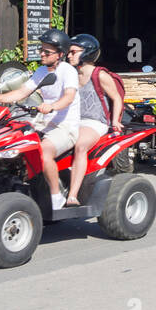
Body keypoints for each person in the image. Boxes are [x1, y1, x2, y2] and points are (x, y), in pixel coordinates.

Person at [0, 28, 79, 210]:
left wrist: (52, 106)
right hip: (44, 123)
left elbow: (69, 96)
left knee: (44, 151)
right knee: (10, 143)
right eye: (41, 49)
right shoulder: (41, 71)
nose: (41, 53)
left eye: (46, 52)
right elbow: (22, 92)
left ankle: (56, 196)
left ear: (60, 54)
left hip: (65, 126)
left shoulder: (68, 71)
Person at [63, 32, 122, 206]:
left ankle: (72, 196)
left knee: (80, 145)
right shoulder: (71, 74)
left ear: (87, 53)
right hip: (73, 120)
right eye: (69, 52)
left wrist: (115, 121)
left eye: (73, 52)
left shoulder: (100, 75)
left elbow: (117, 98)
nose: (69, 55)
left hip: (95, 122)